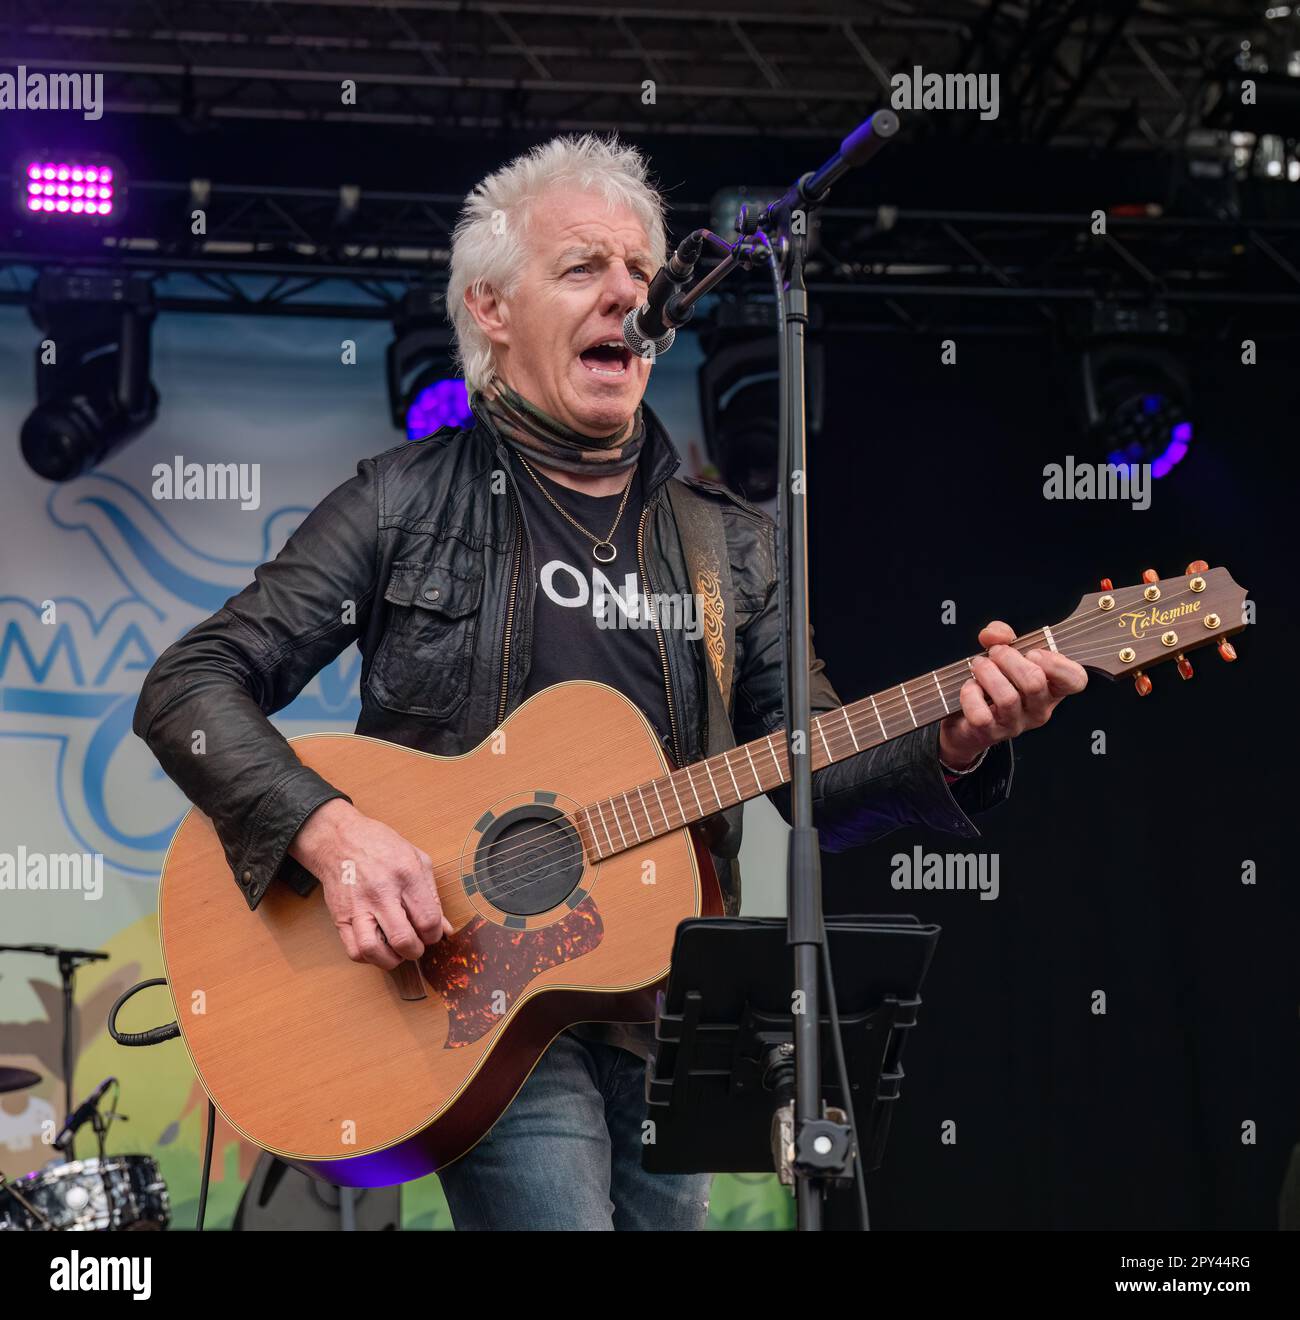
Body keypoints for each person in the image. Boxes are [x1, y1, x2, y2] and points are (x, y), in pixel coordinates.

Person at [133, 133, 1087, 1231]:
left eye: (641, 270)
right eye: (583, 267)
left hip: (667, 1003)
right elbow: (188, 685)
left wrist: (957, 743)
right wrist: (332, 833)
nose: (628, 294)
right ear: (491, 308)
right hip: (473, 992)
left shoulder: (734, 548)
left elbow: (814, 776)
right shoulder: (402, 504)